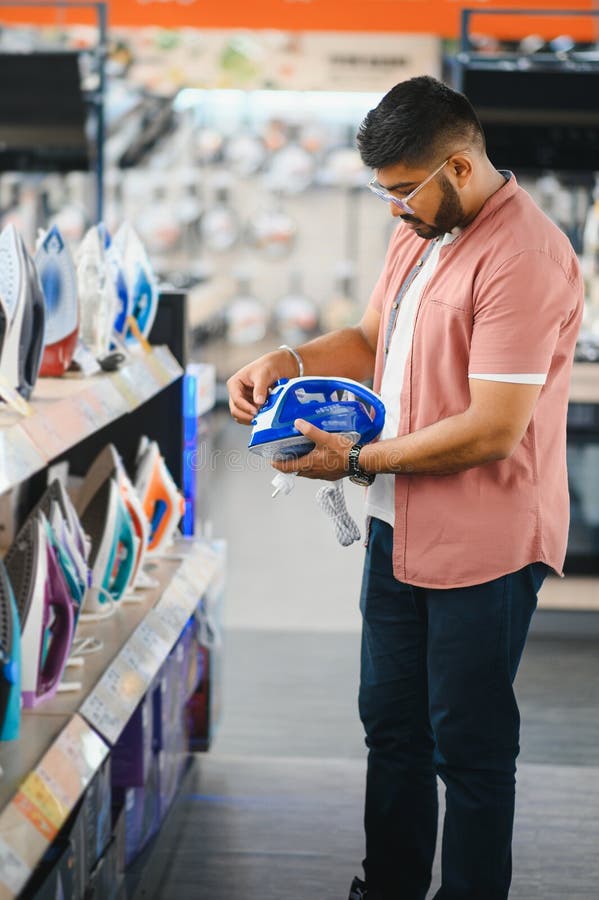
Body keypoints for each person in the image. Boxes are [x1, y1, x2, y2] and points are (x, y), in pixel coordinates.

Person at [227, 76, 584, 900]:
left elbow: (494, 427)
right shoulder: (421, 235)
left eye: (402, 191)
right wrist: (287, 362)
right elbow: (367, 339)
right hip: (399, 527)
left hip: (485, 544)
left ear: (457, 168)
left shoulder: (524, 257)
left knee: (470, 748)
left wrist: (354, 463)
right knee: (391, 730)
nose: (394, 209)